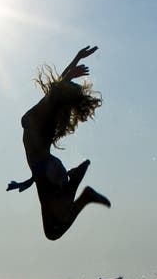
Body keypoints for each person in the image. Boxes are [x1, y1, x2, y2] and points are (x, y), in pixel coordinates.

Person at [7, 45, 110, 241]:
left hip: (46, 169)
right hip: (49, 167)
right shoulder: (50, 112)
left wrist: (30, 179)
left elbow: (56, 88)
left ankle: (82, 190)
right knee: (55, 227)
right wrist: (76, 59)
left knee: (53, 231)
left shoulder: (47, 112)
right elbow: (56, 88)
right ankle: (77, 185)